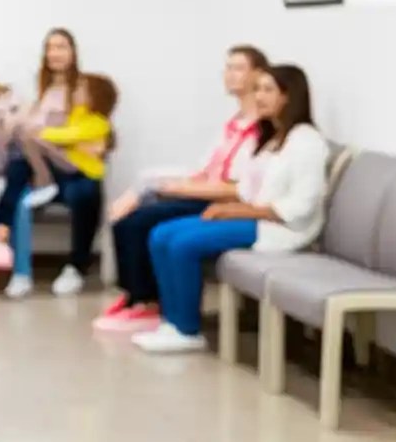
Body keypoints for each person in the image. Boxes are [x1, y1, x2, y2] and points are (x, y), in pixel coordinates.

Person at [131, 64, 328, 353]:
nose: (258, 96)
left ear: (289, 96)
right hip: (254, 218)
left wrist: (236, 212)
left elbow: (300, 207)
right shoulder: (271, 138)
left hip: (281, 230)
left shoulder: (307, 141)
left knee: (183, 244)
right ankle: (170, 322)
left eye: (268, 90)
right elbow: (248, 188)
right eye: (257, 89)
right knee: (161, 234)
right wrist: (227, 207)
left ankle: (187, 330)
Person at [95, 45, 270, 331]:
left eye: (238, 68)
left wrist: (175, 189)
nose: (229, 75)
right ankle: (137, 298)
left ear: (259, 74)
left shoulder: (262, 129)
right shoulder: (234, 123)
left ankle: (147, 303)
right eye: (227, 68)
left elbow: (237, 187)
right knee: (131, 214)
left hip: (225, 203)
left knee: (139, 221)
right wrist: (156, 186)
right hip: (206, 191)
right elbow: (205, 170)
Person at [0, 74, 118, 299]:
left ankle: (75, 266)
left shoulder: (97, 122)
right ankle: (18, 268)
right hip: (58, 168)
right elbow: (60, 135)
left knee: (83, 194)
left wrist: (43, 134)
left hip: (80, 174)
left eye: (81, 90)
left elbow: (69, 135)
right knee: (20, 168)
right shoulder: (70, 113)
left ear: (94, 96)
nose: (75, 93)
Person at [0, 28, 80, 277]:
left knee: (18, 168)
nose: (55, 53)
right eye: (50, 48)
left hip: (61, 160)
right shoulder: (43, 88)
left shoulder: (79, 89)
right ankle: (3, 247)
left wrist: (43, 132)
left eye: (61, 47)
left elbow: (79, 129)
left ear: (72, 52)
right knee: (16, 170)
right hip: (36, 158)